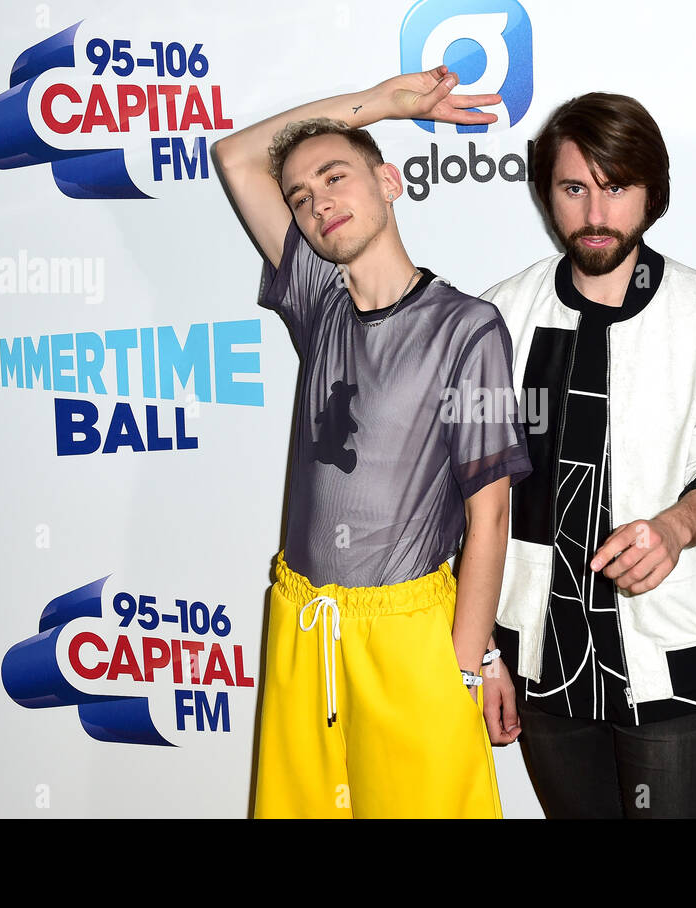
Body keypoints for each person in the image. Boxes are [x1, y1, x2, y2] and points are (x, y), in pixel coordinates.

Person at [213, 66, 531, 818]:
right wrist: (380, 104)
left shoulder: (468, 327)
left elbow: (489, 516)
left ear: (389, 182)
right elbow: (235, 157)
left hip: (411, 637)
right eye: (301, 196)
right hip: (304, 622)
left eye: (337, 177)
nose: (320, 204)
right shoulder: (317, 300)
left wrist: (468, 660)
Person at [479, 93, 696, 818]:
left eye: (616, 188)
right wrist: (484, 654)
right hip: (540, 659)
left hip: (669, 662)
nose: (595, 214)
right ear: (547, 194)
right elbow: (472, 502)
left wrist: (672, 529)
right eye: (574, 188)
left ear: (652, 195)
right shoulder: (500, 316)